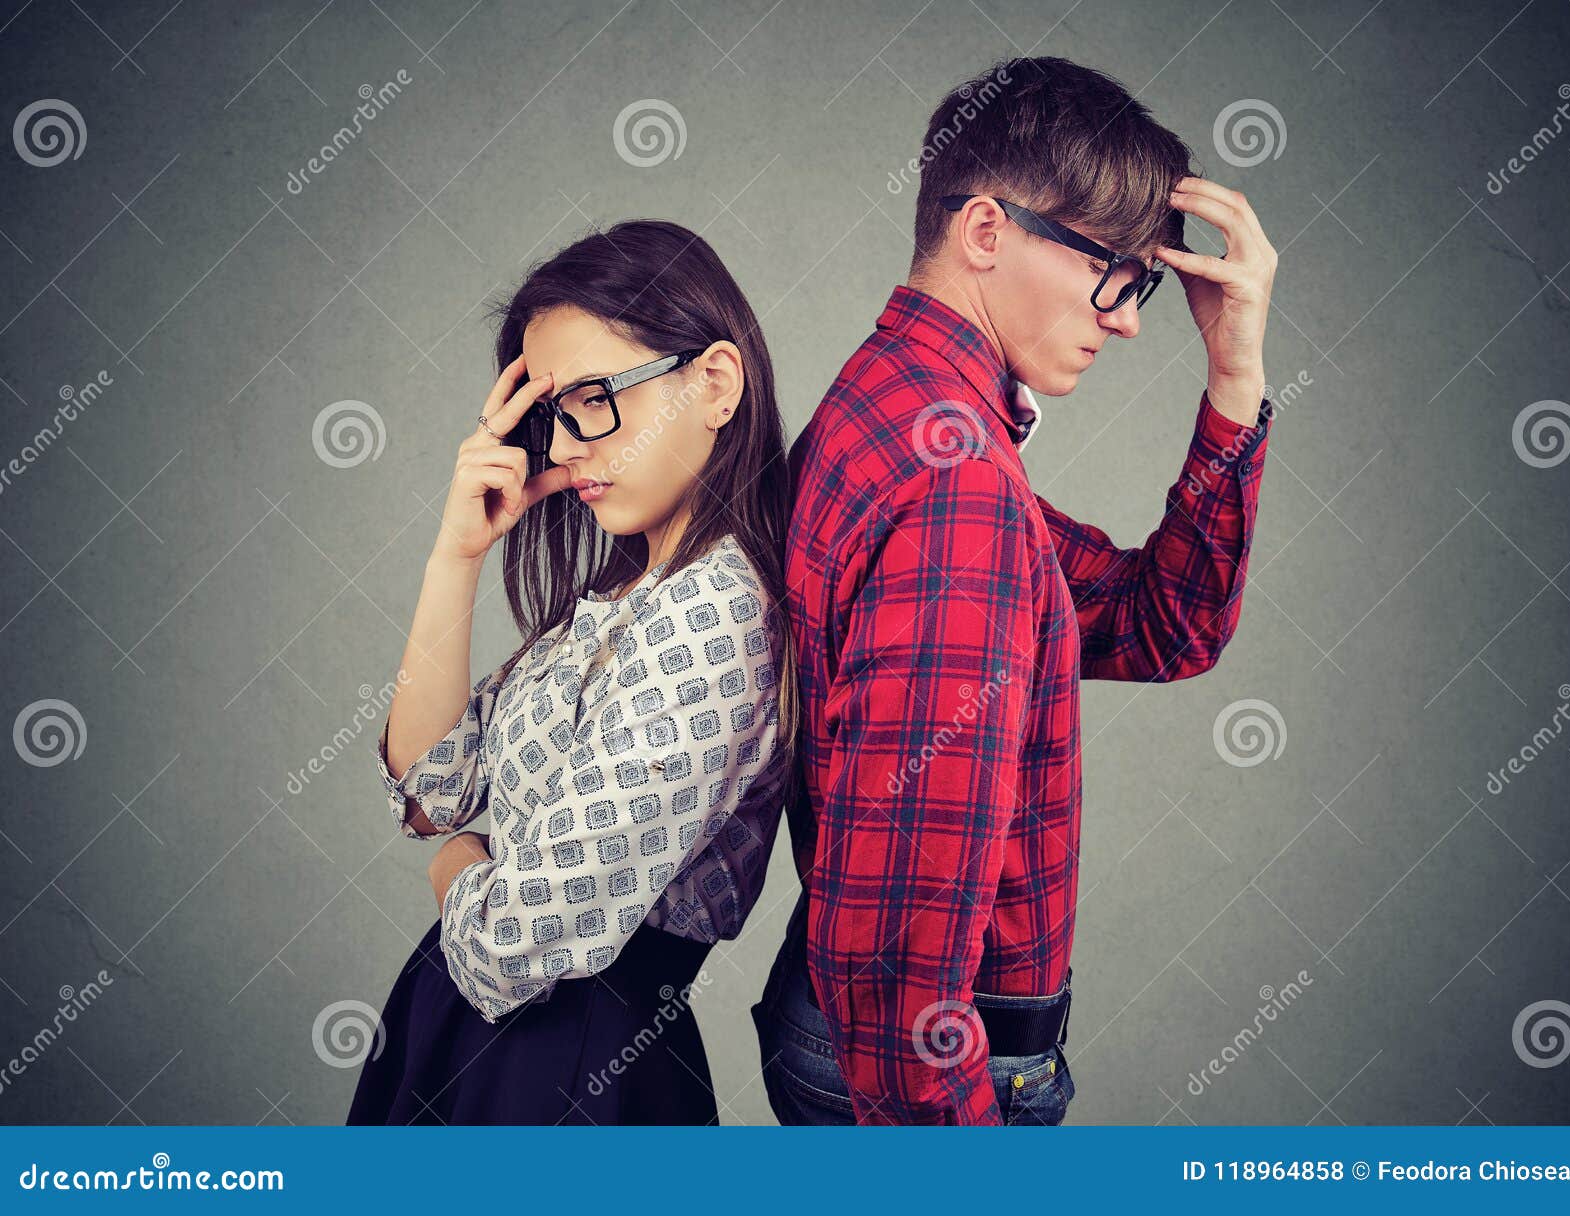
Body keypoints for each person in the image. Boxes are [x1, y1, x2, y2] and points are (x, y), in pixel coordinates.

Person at [752, 54, 1278, 1125]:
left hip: (850, 1034)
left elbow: (1161, 625)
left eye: (1140, 284)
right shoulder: (957, 490)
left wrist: (1233, 378)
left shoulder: (894, 403)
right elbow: (898, 949)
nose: (1129, 318)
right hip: (927, 1068)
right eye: (1113, 274)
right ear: (986, 232)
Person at [348, 219, 797, 1126]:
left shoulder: (713, 613)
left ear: (714, 383)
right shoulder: (629, 590)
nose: (561, 449)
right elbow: (433, 787)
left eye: (595, 399)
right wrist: (456, 554)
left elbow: (506, 945)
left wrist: (458, 869)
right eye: (555, 415)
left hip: (574, 1076)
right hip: (476, 1050)